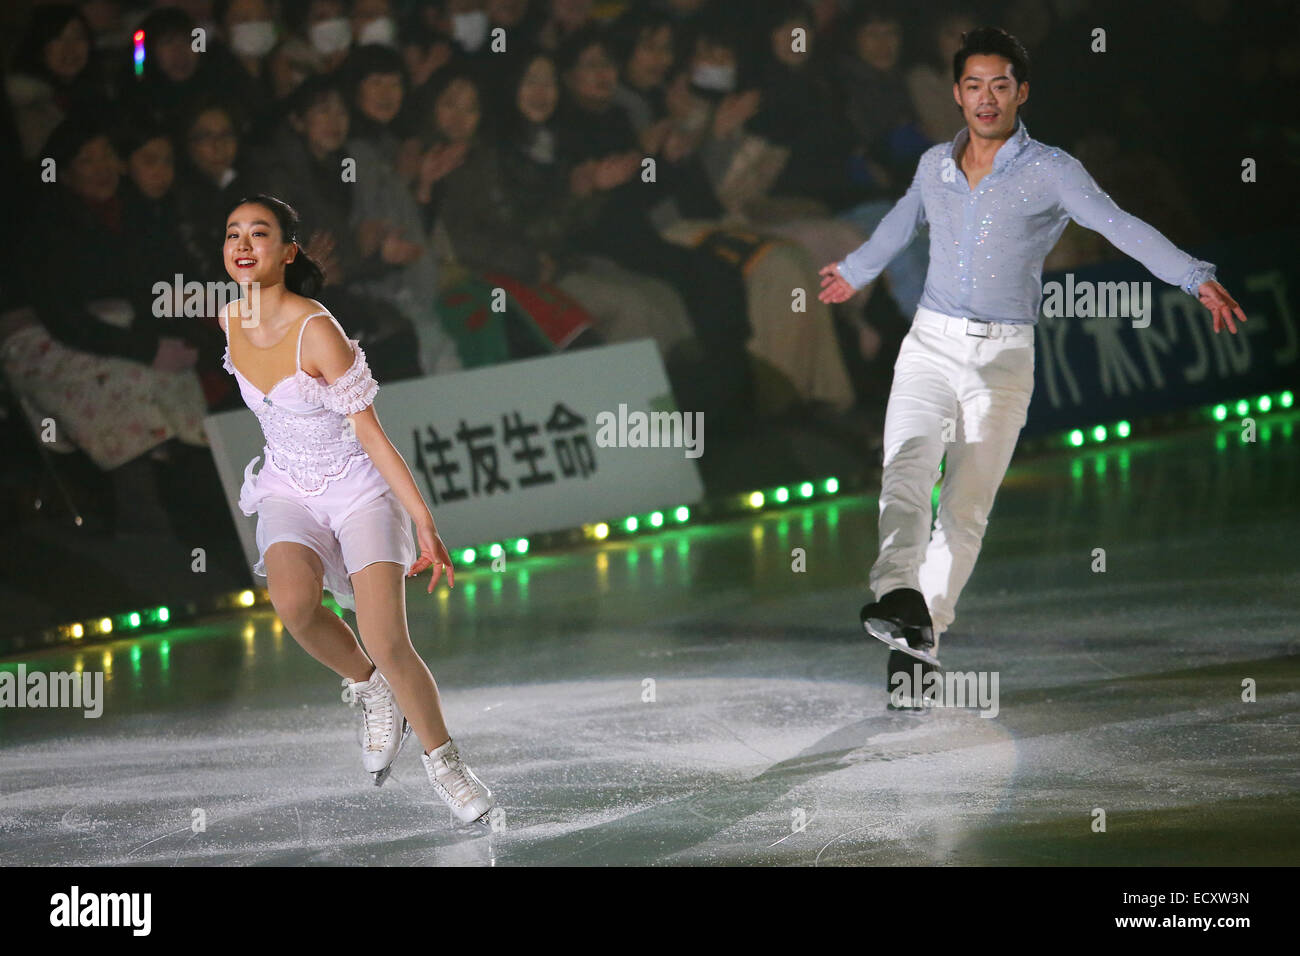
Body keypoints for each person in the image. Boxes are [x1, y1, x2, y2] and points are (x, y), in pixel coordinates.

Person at [819, 27, 1247, 665]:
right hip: (929, 344)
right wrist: (854, 268)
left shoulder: (1051, 170)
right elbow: (905, 215)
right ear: (956, 94)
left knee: (963, 512)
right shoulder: (935, 163)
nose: (985, 98)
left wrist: (1193, 274)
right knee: (905, 470)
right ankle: (898, 594)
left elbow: (1117, 223)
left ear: (1021, 92)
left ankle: (919, 642)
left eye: (999, 85)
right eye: (973, 86)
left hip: (1002, 359)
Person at [218, 192, 494, 825]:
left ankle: (446, 762)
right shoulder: (229, 319)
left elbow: (369, 432)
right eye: (233, 234)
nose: (241, 245)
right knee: (292, 605)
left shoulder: (318, 331)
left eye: (258, 234)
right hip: (289, 484)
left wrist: (422, 518)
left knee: (388, 639)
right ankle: (371, 690)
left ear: (287, 252)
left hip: (355, 486)